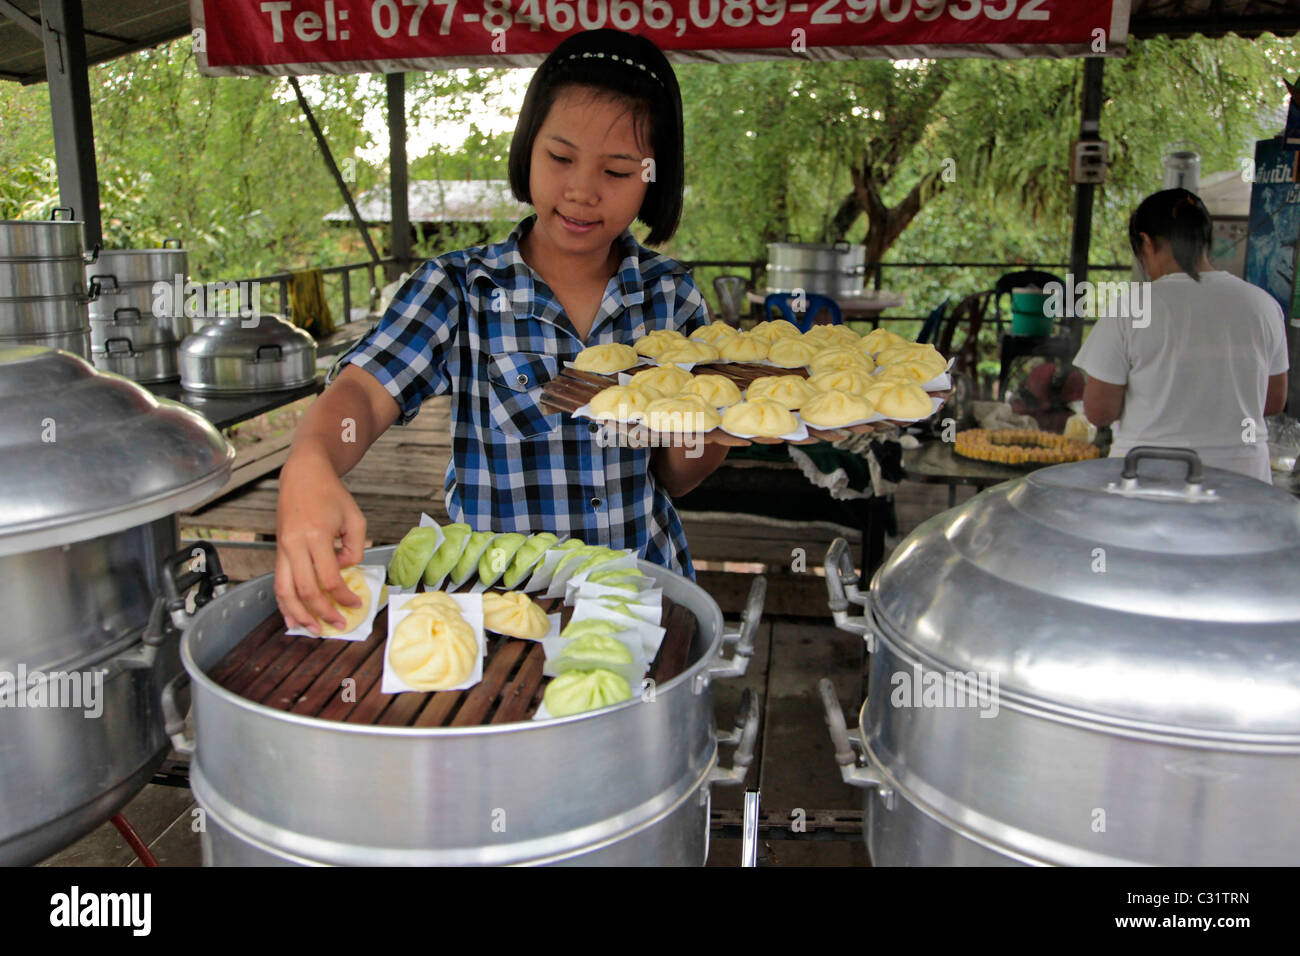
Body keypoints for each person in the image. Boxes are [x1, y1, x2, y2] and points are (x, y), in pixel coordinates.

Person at [275, 30, 730, 634]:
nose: (581, 191)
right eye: (560, 158)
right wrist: (308, 464)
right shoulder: (459, 289)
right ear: (527, 149)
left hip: (638, 598)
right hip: (502, 611)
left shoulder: (670, 297)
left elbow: (675, 475)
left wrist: (719, 426)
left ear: (653, 177)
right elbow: (360, 396)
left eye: (618, 171)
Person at [1075, 188, 1289, 481]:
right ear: (1204, 240)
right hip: (1244, 480)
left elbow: (1099, 411)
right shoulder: (1263, 305)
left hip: (1150, 478)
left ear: (1146, 243)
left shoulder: (1132, 307)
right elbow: (1273, 401)